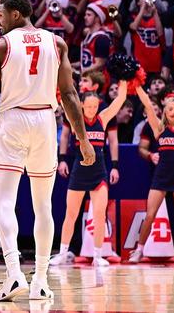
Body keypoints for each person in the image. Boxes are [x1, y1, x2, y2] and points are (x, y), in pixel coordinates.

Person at [0, 0, 94, 301]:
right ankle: (40, 280)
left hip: (13, 119)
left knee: (5, 204)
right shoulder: (57, 43)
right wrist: (83, 138)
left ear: (15, 14)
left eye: (0, 14)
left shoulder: (0, 46)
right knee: (43, 207)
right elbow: (69, 95)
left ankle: (14, 275)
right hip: (44, 120)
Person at [51, 82, 129, 267]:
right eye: (89, 106)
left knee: (100, 214)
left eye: (95, 106)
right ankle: (62, 253)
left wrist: (125, 80)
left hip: (98, 173)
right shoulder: (74, 117)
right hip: (79, 171)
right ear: (82, 105)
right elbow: (61, 97)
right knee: (71, 214)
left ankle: (97, 255)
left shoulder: (102, 118)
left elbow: (120, 100)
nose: (92, 109)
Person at [128, 88, 174, 264]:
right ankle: (139, 250)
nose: (173, 112)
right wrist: (137, 84)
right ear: (164, 111)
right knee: (150, 214)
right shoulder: (159, 128)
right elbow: (147, 104)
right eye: (170, 109)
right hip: (161, 177)